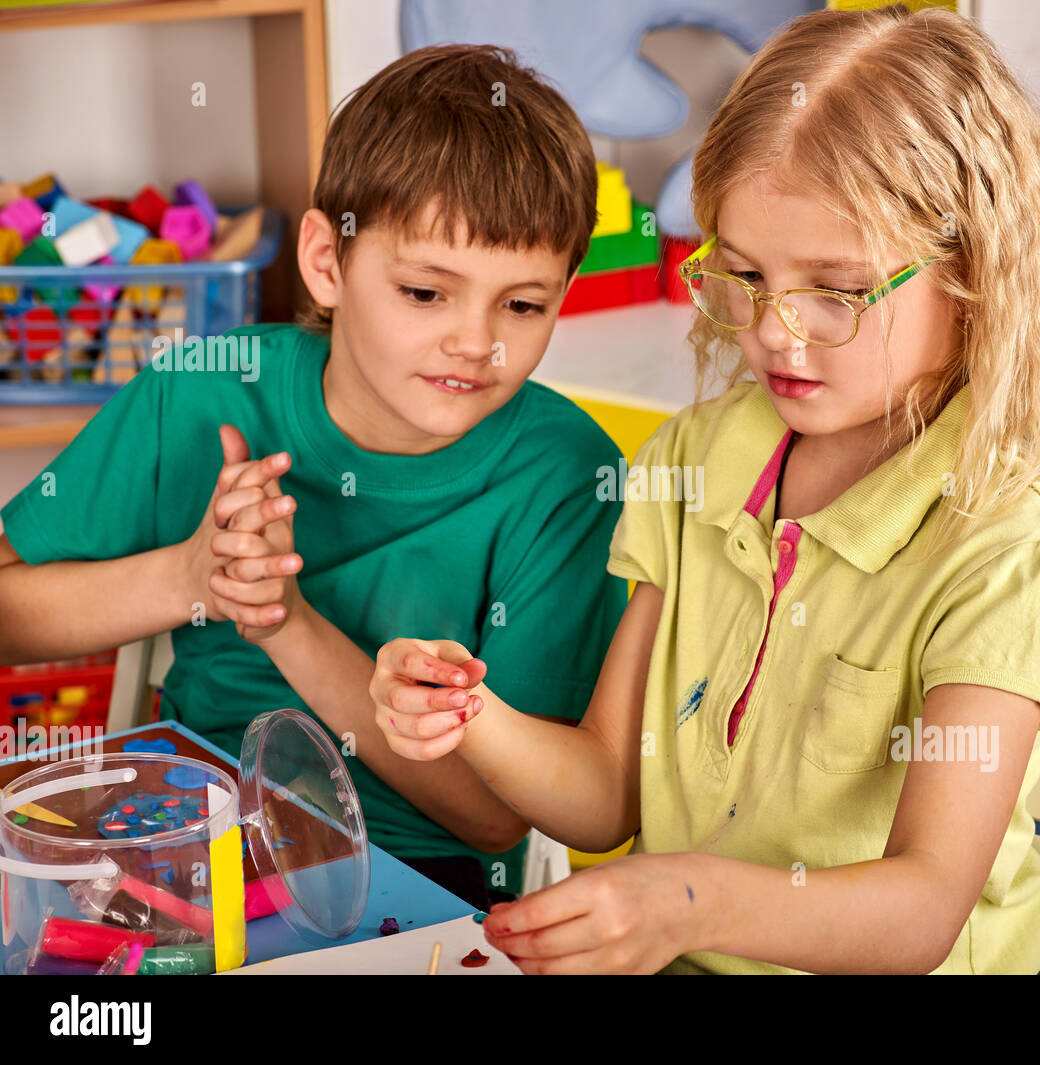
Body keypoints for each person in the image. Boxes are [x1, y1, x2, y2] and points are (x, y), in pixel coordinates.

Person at [372, 5, 1040, 973]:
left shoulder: (1004, 555)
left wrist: (686, 903)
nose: (775, 331)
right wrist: (472, 720)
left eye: (836, 290)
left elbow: (922, 910)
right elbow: (605, 798)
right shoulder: (692, 465)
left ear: (972, 271)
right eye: (746, 274)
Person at [0, 44, 628, 911]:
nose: (476, 342)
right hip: (177, 832)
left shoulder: (567, 472)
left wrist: (286, 623)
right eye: (424, 292)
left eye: (523, 305)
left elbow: (490, 821)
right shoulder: (199, 388)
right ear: (327, 263)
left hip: (412, 878)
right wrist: (192, 579)